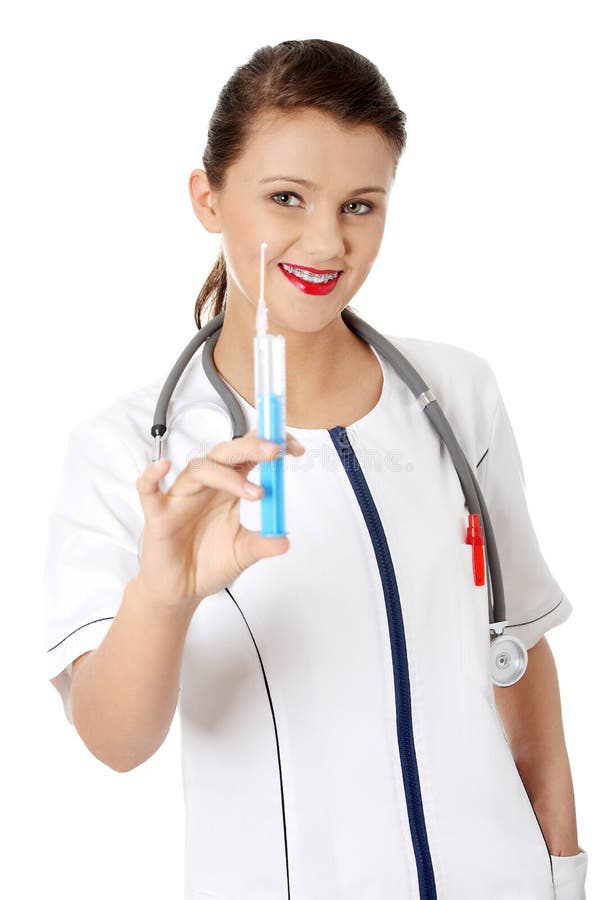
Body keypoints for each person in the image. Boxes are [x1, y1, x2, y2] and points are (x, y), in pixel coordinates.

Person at [43, 38, 588, 899]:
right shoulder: (127, 455)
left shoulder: (458, 396)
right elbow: (114, 741)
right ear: (208, 198)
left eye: (360, 205)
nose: (327, 241)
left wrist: (563, 871)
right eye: (286, 197)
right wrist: (164, 595)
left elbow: (516, 652)